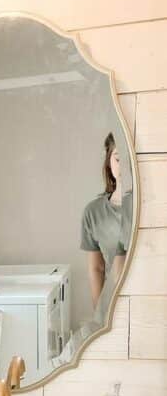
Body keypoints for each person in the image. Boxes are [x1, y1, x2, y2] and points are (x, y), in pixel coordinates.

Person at [80, 132, 133, 314]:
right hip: (115, 311)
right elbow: (96, 268)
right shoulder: (93, 213)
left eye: (129, 158)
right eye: (118, 159)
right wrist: (101, 316)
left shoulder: (151, 206)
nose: (124, 165)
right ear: (109, 162)